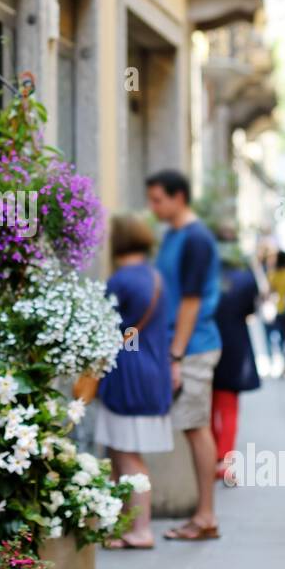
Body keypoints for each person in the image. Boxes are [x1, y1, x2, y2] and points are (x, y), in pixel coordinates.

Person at [145, 169, 221, 541]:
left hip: (193, 345)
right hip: (179, 344)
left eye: (158, 199)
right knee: (193, 426)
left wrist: (175, 355)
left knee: (196, 426)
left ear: (179, 197)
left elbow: (191, 302)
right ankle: (203, 514)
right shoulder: (173, 235)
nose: (153, 206)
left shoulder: (195, 239)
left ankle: (206, 515)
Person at [95, 214, 173, 549]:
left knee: (126, 456)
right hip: (153, 370)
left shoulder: (121, 281)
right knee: (122, 453)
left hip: (127, 372)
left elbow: (102, 326)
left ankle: (140, 529)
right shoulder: (156, 277)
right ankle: (123, 526)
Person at [211, 235, 261, 483]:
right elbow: (252, 309)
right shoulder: (245, 278)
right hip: (235, 344)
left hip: (206, 342)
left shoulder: (208, 274)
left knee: (207, 409)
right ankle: (227, 463)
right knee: (229, 408)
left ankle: (211, 460)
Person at [265, 250, 285, 374]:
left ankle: (283, 363)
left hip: (279, 310)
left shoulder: (273, 275)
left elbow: (268, 292)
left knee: (280, 338)